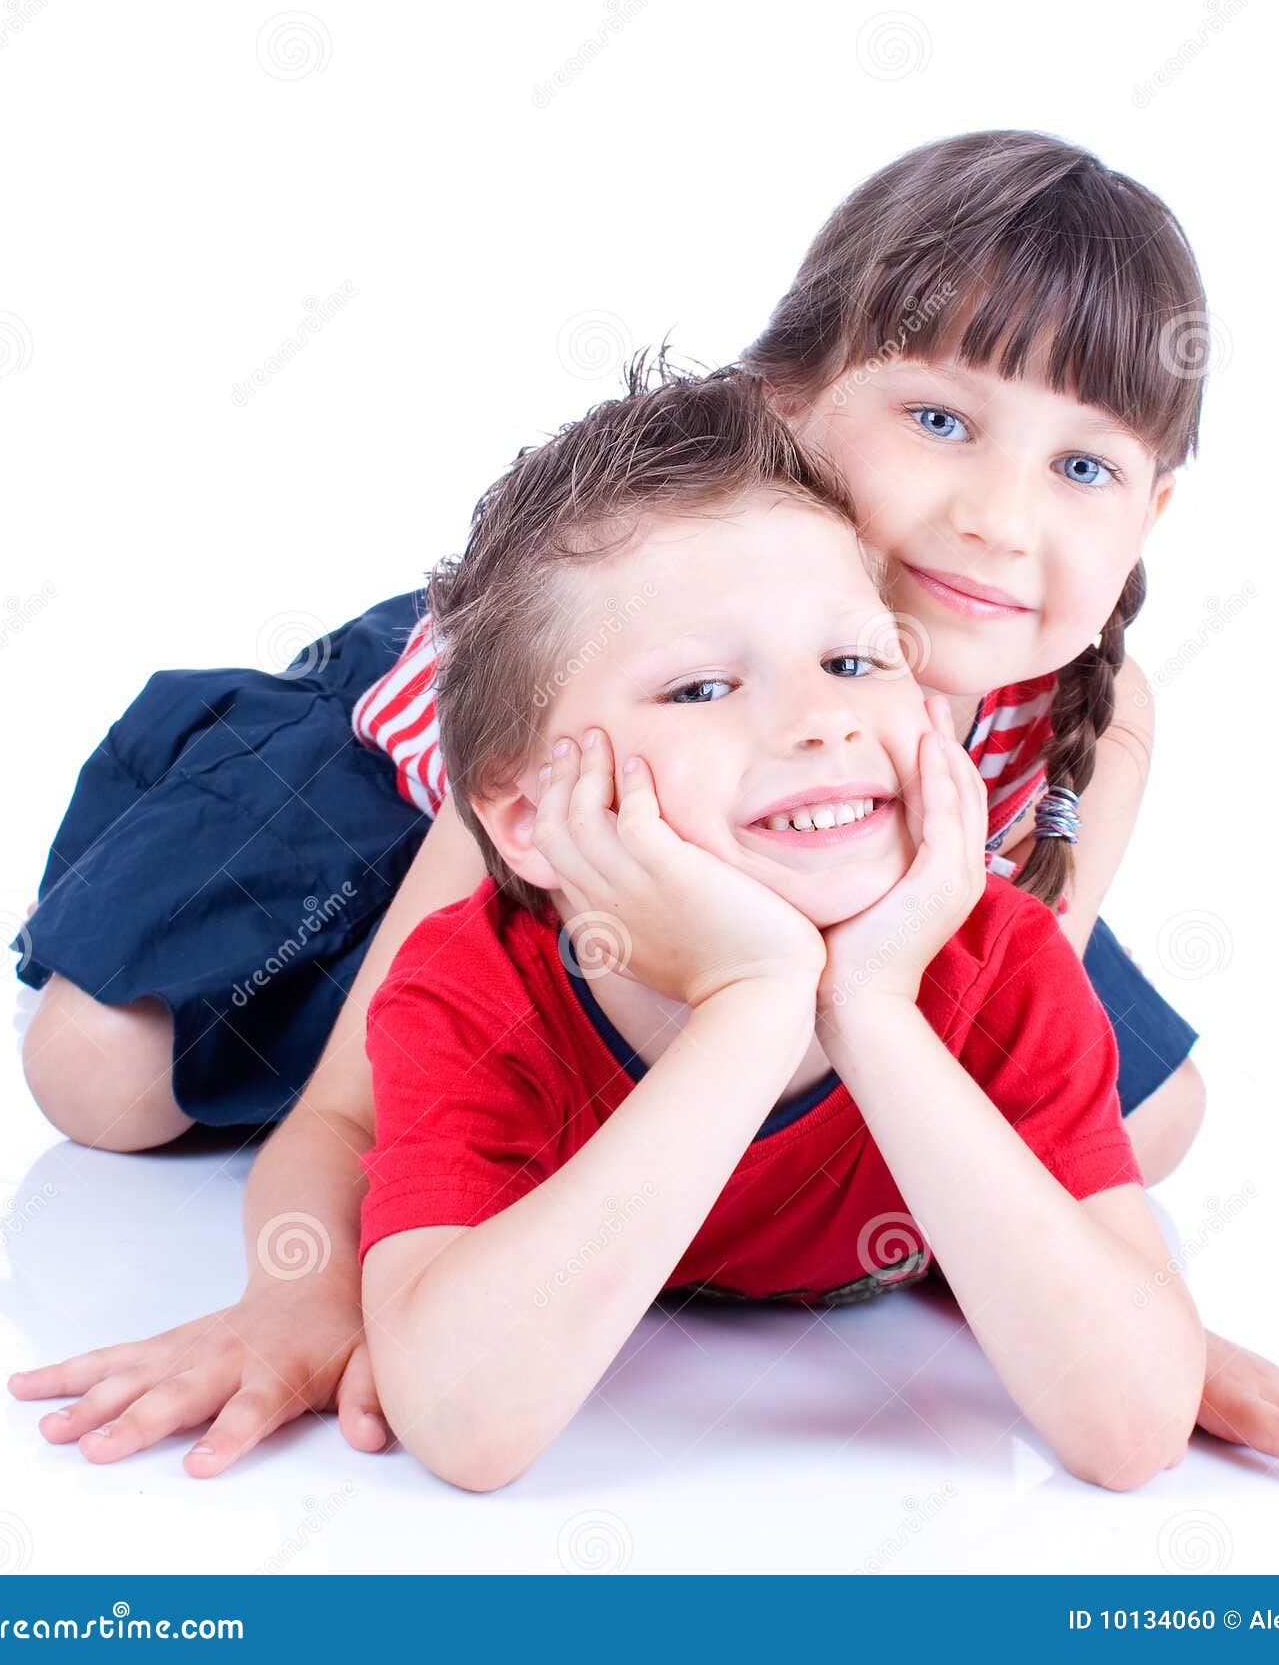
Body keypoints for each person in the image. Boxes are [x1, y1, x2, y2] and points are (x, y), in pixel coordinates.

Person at [7, 134, 1279, 1501]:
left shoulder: (1089, 714)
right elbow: (343, 1116)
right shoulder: (571, 739)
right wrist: (307, 1291)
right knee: (102, 1072)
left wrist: (1162, 1344)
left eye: (1082, 466)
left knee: (1158, 1112)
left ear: (1153, 512)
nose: (1003, 519)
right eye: (940, 419)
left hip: (831, 863)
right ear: (786, 405)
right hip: (435, 816)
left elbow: (999, 1080)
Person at [357, 360, 1205, 1491]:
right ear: (523, 815)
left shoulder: (1009, 975)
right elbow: (463, 1426)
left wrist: (871, 1008)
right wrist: (751, 1002)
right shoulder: (471, 992)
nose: (818, 723)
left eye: (855, 661)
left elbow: (1133, 1433)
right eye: (701, 690)